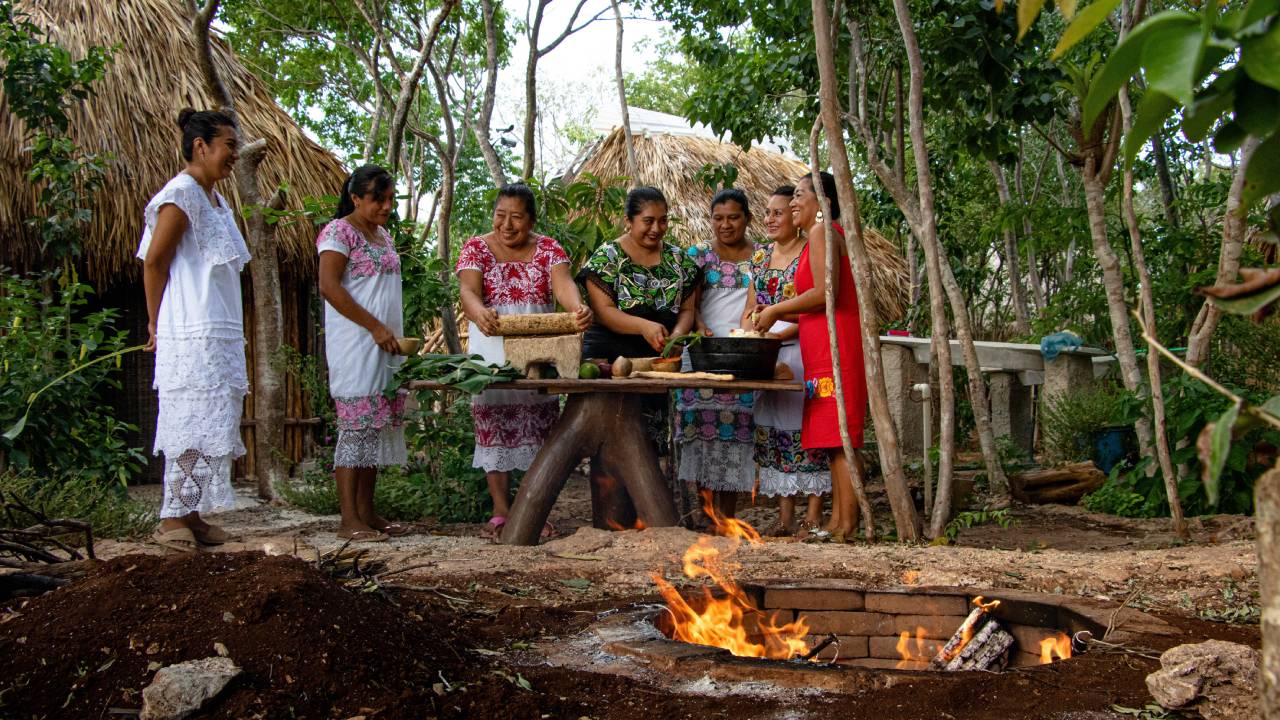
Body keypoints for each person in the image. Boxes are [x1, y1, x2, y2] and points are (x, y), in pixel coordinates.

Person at [140, 108, 250, 552]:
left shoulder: (216, 201)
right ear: (201, 146)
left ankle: (191, 513)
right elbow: (154, 261)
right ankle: (171, 519)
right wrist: (155, 322)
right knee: (188, 419)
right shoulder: (180, 195)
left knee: (210, 421)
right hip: (189, 328)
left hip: (218, 329)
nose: (235, 154)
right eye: (229, 146)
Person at [456, 183, 591, 539]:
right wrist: (479, 312)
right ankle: (501, 511)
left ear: (531, 220)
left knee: (538, 430)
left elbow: (564, 285)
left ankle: (534, 511)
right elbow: (468, 290)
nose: (507, 224)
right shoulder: (476, 248)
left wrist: (576, 308)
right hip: (491, 353)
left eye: (516, 217)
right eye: (500, 215)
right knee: (493, 427)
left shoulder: (549, 249)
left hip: (537, 353)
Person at [753, 172, 867, 540]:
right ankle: (838, 522)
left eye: (800, 195)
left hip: (836, 346)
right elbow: (813, 307)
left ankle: (846, 524)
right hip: (822, 345)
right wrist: (775, 313)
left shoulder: (821, 233)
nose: (793, 202)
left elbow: (824, 294)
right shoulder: (827, 234)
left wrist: (775, 309)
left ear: (823, 203)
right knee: (834, 439)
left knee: (841, 438)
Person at [317, 164, 409, 542]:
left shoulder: (383, 236)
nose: (386, 206)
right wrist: (373, 326)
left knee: (375, 428)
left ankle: (367, 512)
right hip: (356, 345)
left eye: (390, 199)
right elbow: (329, 286)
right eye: (378, 199)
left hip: (386, 345)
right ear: (355, 198)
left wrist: (390, 332)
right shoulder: (339, 232)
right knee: (355, 428)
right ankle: (348, 519)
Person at [742, 186, 831, 535]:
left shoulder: (809, 252)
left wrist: (776, 335)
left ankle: (814, 514)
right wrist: (749, 334)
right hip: (763, 353)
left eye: (778, 212)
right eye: (768, 212)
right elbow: (750, 308)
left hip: (799, 349)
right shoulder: (760, 257)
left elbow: (815, 308)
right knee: (773, 429)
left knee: (804, 428)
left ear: (795, 216)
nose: (770, 219)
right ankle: (785, 517)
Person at [676, 188, 759, 519]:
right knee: (701, 435)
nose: (725, 225)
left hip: (745, 358)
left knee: (736, 436)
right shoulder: (698, 255)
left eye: (734, 217)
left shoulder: (762, 256)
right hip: (703, 357)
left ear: (747, 218)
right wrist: (700, 328)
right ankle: (708, 516)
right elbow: (689, 306)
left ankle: (728, 518)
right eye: (718, 218)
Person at [578, 186, 701, 361]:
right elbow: (603, 311)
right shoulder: (607, 257)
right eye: (648, 221)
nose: (656, 228)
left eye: (663, 221)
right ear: (628, 221)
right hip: (606, 360)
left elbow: (687, 310)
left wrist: (677, 336)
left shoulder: (680, 260)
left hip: (659, 362)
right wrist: (643, 327)